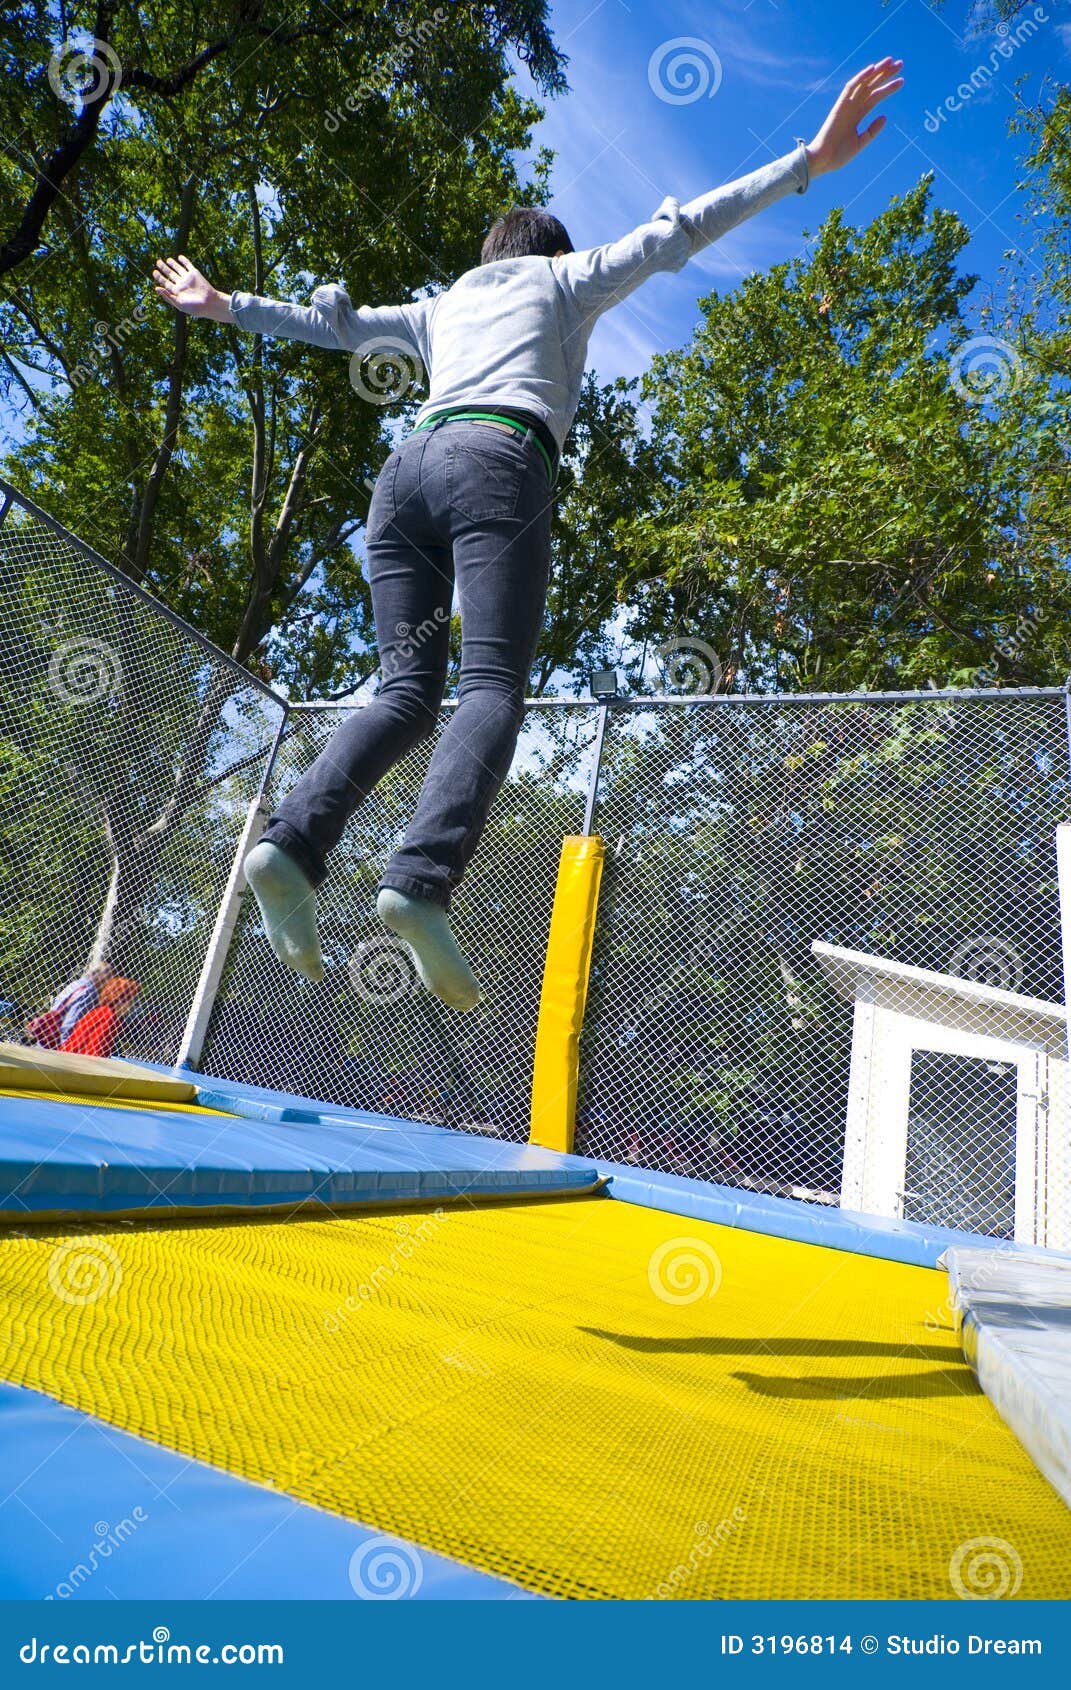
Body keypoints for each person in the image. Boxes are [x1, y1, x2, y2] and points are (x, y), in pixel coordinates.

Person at [152, 59, 903, 1011]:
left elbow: (333, 327)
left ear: (485, 254)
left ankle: (289, 847)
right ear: (545, 249)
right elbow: (676, 234)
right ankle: (417, 881)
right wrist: (808, 160)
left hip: (405, 477)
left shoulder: (441, 306)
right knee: (492, 684)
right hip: (496, 465)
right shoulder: (563, 276)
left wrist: (222, 306)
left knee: (403, 690)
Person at [26, 960, 113, 1049]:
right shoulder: (89, 992)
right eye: (108, 979)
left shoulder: (76, 984)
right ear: (101, 978)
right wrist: (65, 1048)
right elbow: (72, 1021)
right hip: (57, 1041)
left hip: (49, 1032)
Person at [60, 976, 140, 1060]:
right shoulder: (108, 1016)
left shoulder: (102, 1012)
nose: (131, 1006)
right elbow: (95, 1049)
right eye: (130, 1001)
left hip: (71, 1057)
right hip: (74, 1061)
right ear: (120, 1000)